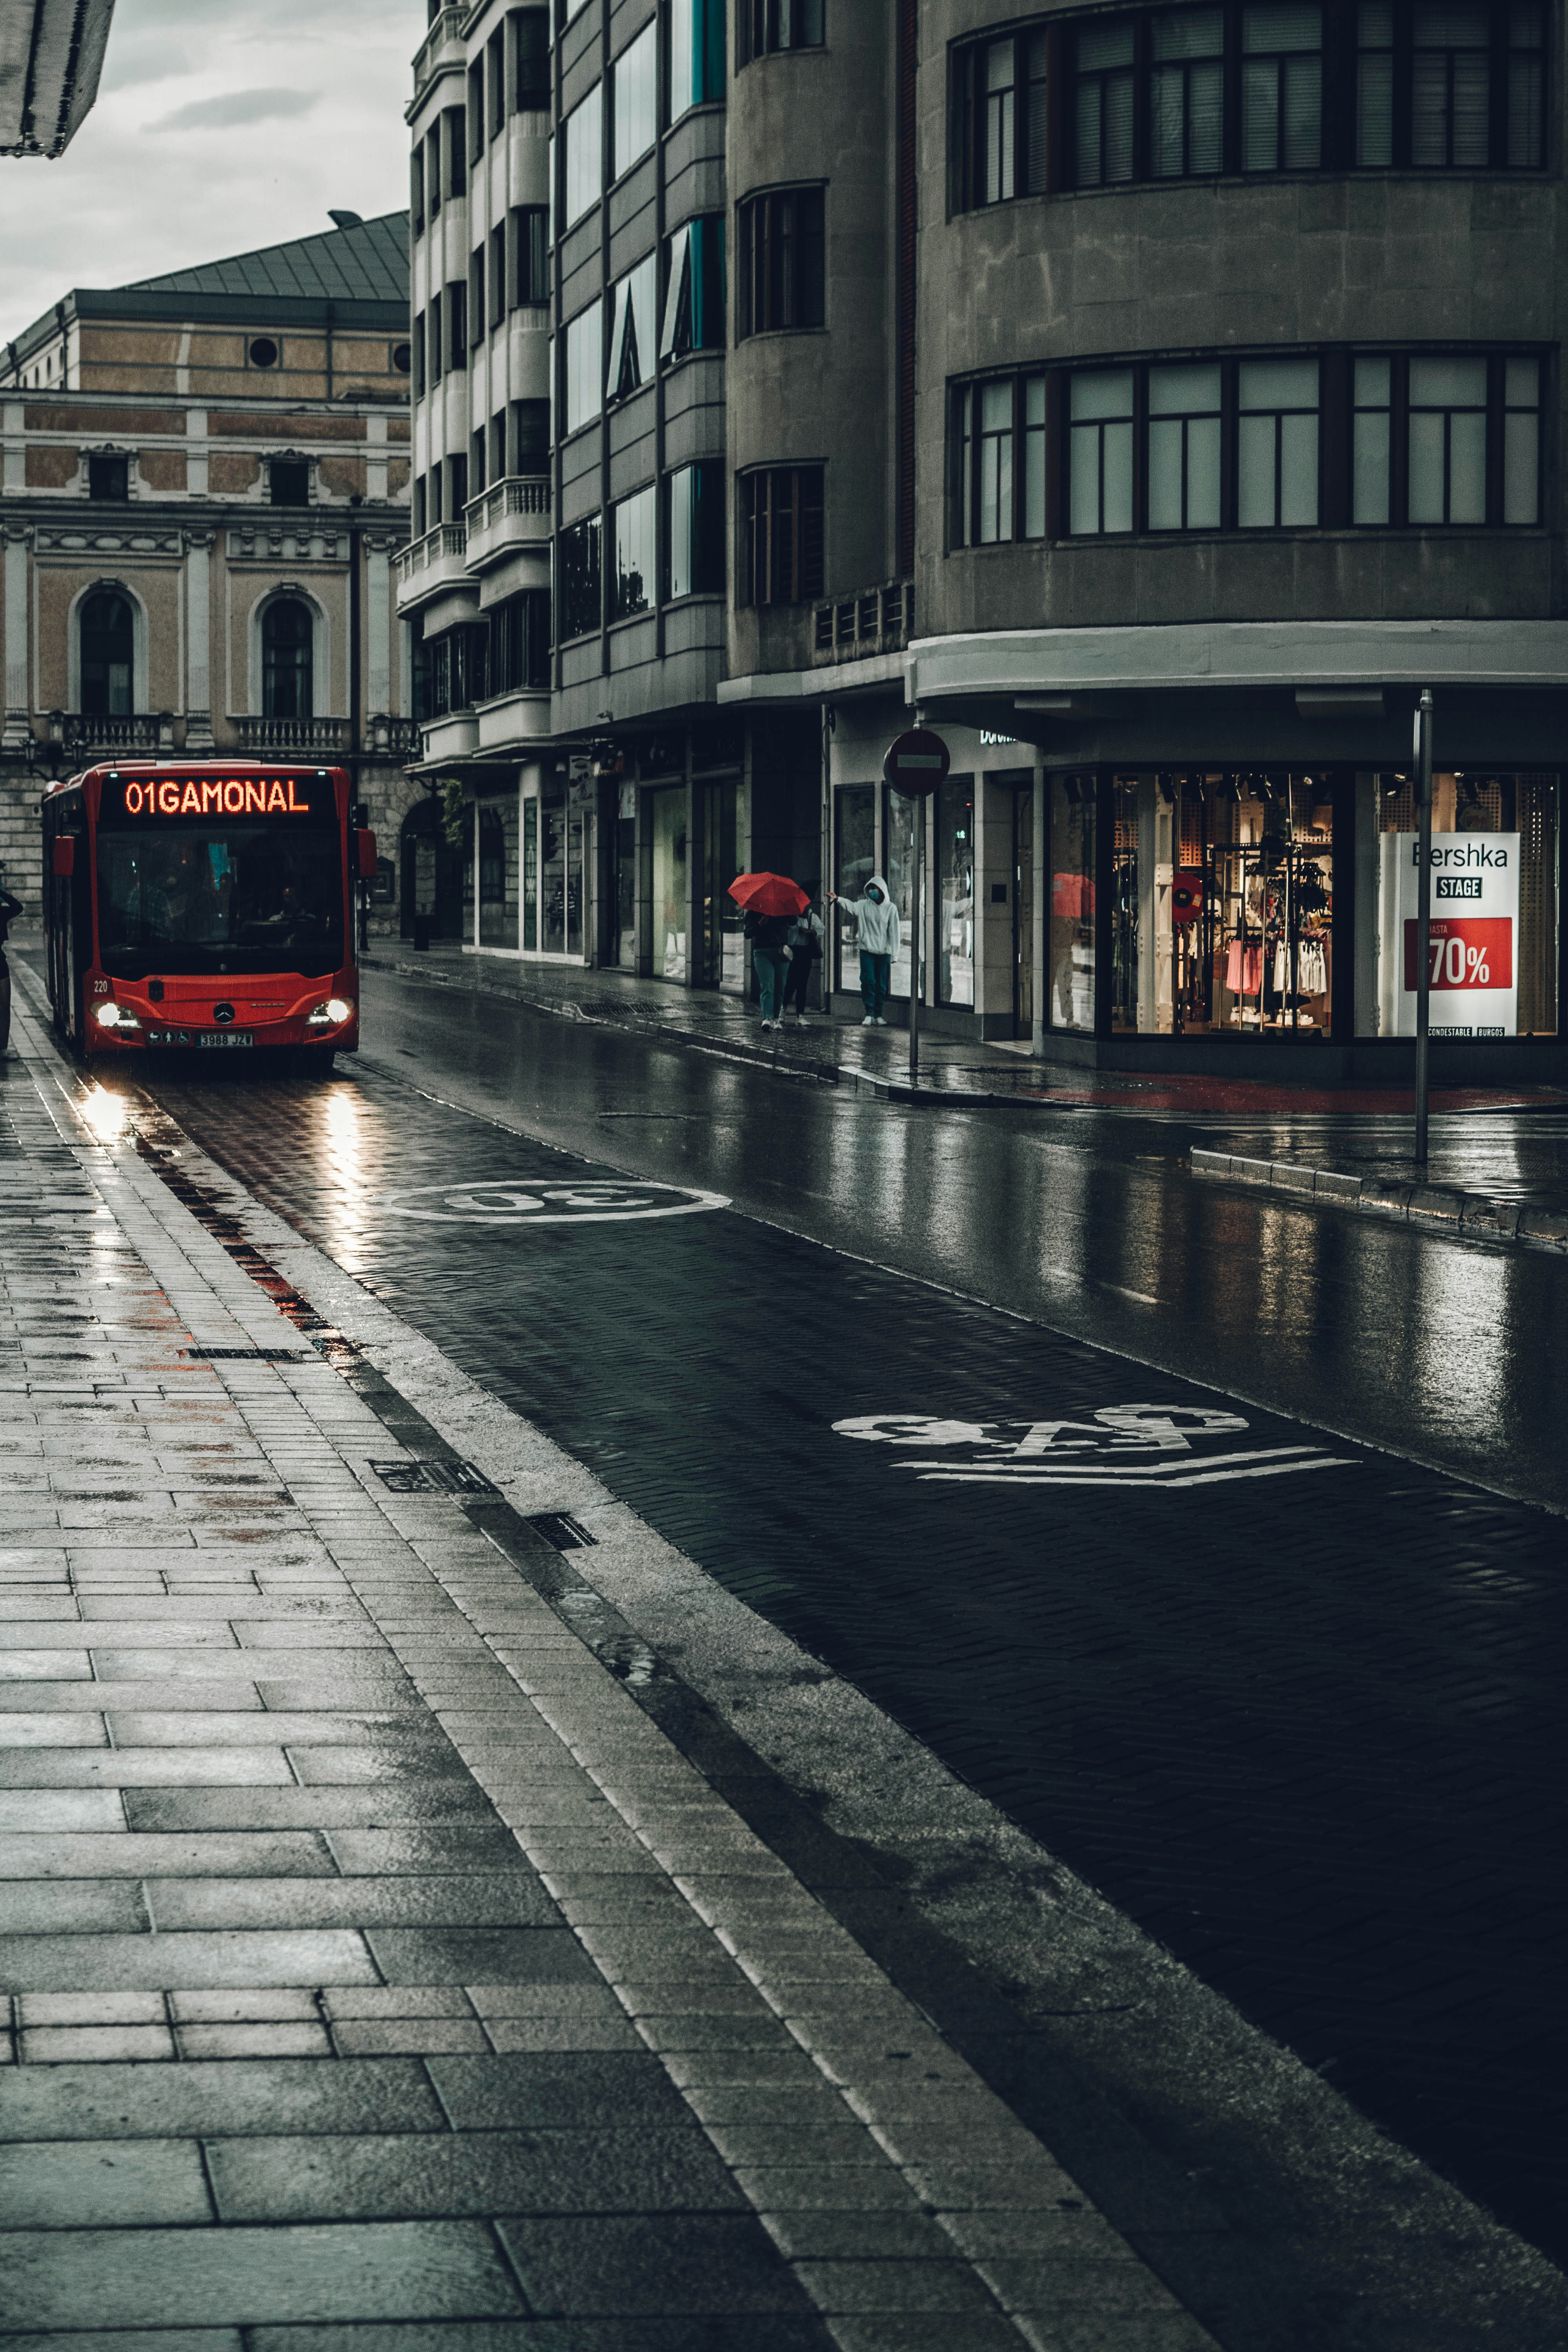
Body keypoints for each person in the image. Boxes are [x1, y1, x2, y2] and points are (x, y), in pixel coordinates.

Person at [830, 872, 900, 1026]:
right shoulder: (864, 905)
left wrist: (895, 954)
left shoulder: (891, 908)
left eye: (875, 889)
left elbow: (895, 932)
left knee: (881, 985)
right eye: (870, 889)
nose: (872, 892)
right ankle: (869, 1013)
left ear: (882, 890)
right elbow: (851, 906)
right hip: (867, 950)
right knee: (868, 981)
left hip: (884, 953)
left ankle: (878, 1014)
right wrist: (838, 899)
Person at [743, 902, 793, 1031]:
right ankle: (767, 1018)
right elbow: (748, 934)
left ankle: (776, 1019)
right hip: (762, 953)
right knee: (768, 986)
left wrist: (786, 909)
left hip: (781, 953)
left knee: (780, 987)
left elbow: (794, 921)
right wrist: (760, 924)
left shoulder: (783, 908)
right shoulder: (754, 911)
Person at [780, 896, 825, 1025]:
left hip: (806, 953)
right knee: (790, 983)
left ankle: (800, 1015)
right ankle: (782, 1011)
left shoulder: (812, 917)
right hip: (793, 952)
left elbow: (821, 930)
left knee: (802, 985)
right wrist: (796, 929)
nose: (802, 907)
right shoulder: (791, 917)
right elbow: (787, 932)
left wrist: (810, 932)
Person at [0, 881, 22, 1056]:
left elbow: (18, 907)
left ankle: (3, 1048)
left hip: (0, 961)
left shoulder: (2, 912)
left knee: (4, 1006)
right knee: (4, 1007)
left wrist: (1, 893)